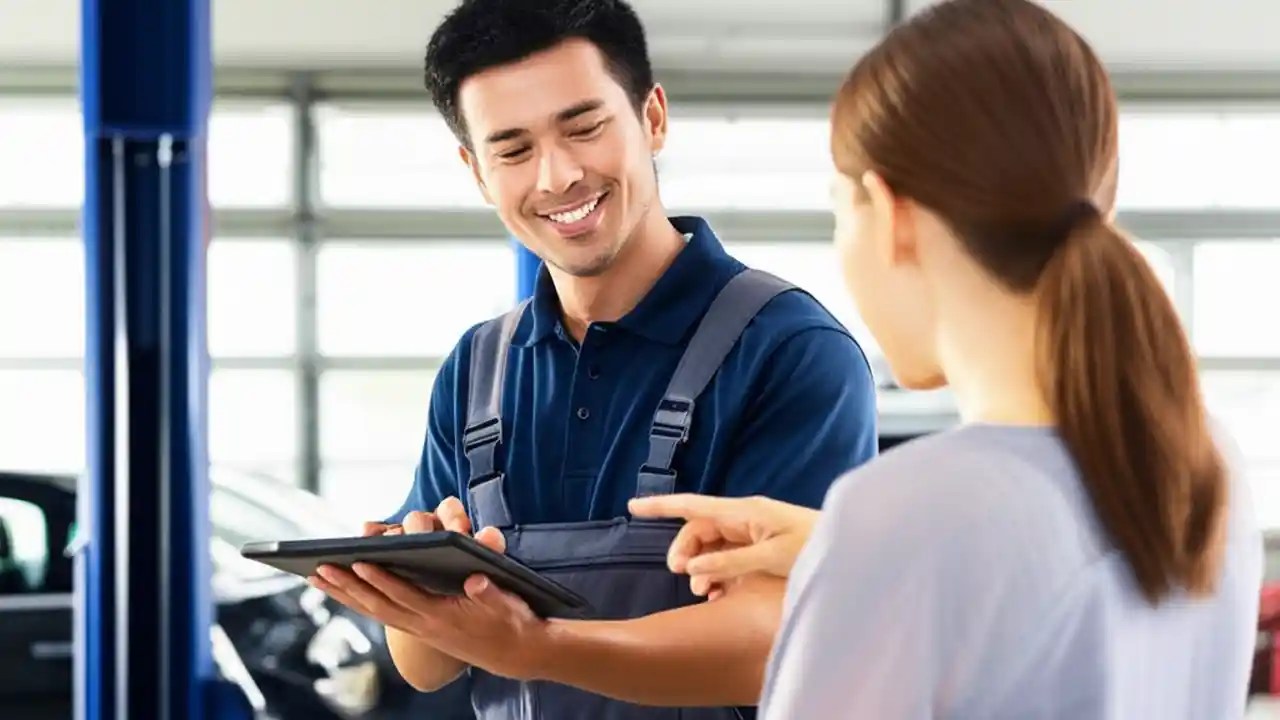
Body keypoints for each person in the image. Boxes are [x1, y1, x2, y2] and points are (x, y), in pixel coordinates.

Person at [629, 1, 1265, 718]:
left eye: (839, 207)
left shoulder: (913, 510)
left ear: (889, 212)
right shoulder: (1202, 457)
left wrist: (871, 553)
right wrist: (839, 554)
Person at [306, 0, 879, 718]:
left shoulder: (789, 352)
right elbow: (429, 669)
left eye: (584, 128)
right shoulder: (478, 371)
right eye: (512, 151)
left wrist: (536, 647)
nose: (557, 177)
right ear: (477, 172)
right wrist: (413, 593)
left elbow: (770, 647)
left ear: (653, 118)